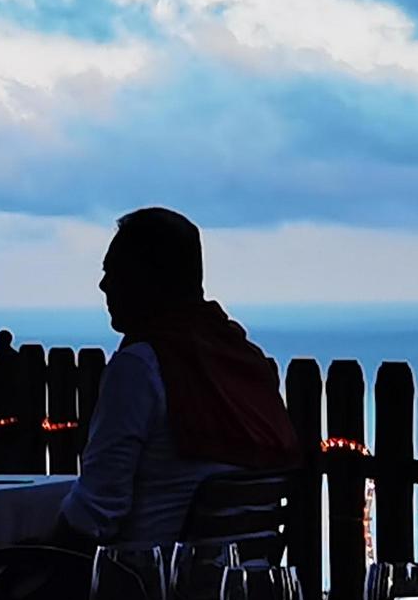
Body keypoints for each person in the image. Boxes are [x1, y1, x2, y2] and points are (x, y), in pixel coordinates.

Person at [55, 207, 298, 548]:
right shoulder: (246, 364)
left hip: (145, 585)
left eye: (116, 272)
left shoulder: (141, 367)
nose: (104, 284)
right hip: (244, 586)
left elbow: (95, 512)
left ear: (149, 280)